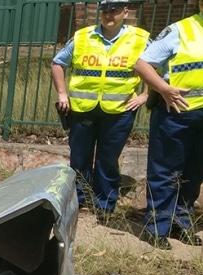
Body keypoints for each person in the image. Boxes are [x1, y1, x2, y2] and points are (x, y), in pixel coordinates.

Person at [51, 0, 148, 222]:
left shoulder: (140, 39)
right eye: (104, 10)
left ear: (125, 11)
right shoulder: (83, 36)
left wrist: (145, 95)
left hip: (119, 110)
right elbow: (57, 63)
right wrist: (62, 94)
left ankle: (104, 204)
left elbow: (156, 66)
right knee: (79, 157)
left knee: (108, 159)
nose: (108, 15)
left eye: (114, 10)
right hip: (82, 109)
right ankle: (79, 199)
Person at [133, 0, 203, 250]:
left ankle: (180, 222)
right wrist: (163, 89)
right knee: (165, 171)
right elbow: (142, 64)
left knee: (194, 172)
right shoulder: (180, 31)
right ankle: (156, 227)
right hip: (176, 114)